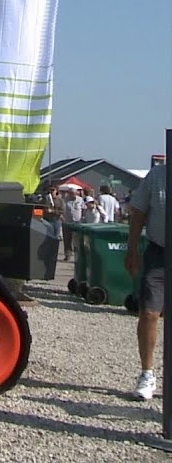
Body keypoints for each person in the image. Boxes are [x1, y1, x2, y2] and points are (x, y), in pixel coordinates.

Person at [125, 164, 166, 401]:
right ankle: (147, 374)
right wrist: (131, 250)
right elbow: (138, 213)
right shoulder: (157, 176)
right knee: (149, 312)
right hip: (158, 253)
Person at [61, 187, 83, 261]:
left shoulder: (80, 200)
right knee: (67, 239)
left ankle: (78, 255)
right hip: (67, 222)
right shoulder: (64, 200)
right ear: (69, 193)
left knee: (77, 240)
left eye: (74, 193)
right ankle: (68, 255)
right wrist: (62, 218)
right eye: (71, 193)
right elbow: (61, 210)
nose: (73, 195)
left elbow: (84, 209)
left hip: (77, 222)